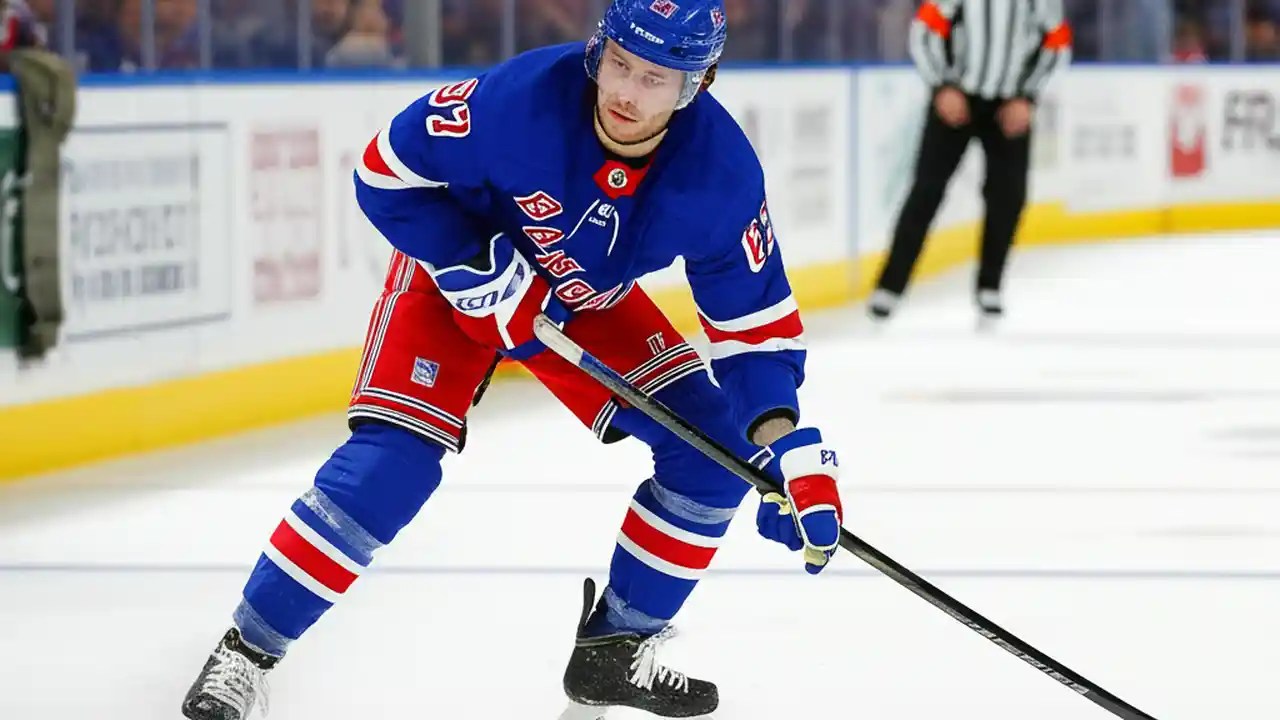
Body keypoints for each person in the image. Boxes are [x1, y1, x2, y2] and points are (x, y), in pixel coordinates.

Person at [180, 1, 845, 718]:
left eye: (655, 78)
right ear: (598, 47)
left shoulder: (722, 179)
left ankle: (615, 648)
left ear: (699, 82)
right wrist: (469, 262)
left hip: (585, 300)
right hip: (455, 281)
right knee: (391, 465)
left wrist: (783, 447)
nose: (625, 92)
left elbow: (755, 331)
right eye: (618, 62)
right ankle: (245, 651)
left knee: (716, 457)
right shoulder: (517, 102)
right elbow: (383, 172)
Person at [868, 0, 1072, 321]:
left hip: (1011, 103)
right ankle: (890, 286)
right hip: (957, 99)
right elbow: (924, 31)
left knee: (1008, 196)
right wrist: (942, 85)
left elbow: (1057, 42)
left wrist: (1028, 96)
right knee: (926, 192)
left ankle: (990, 286)